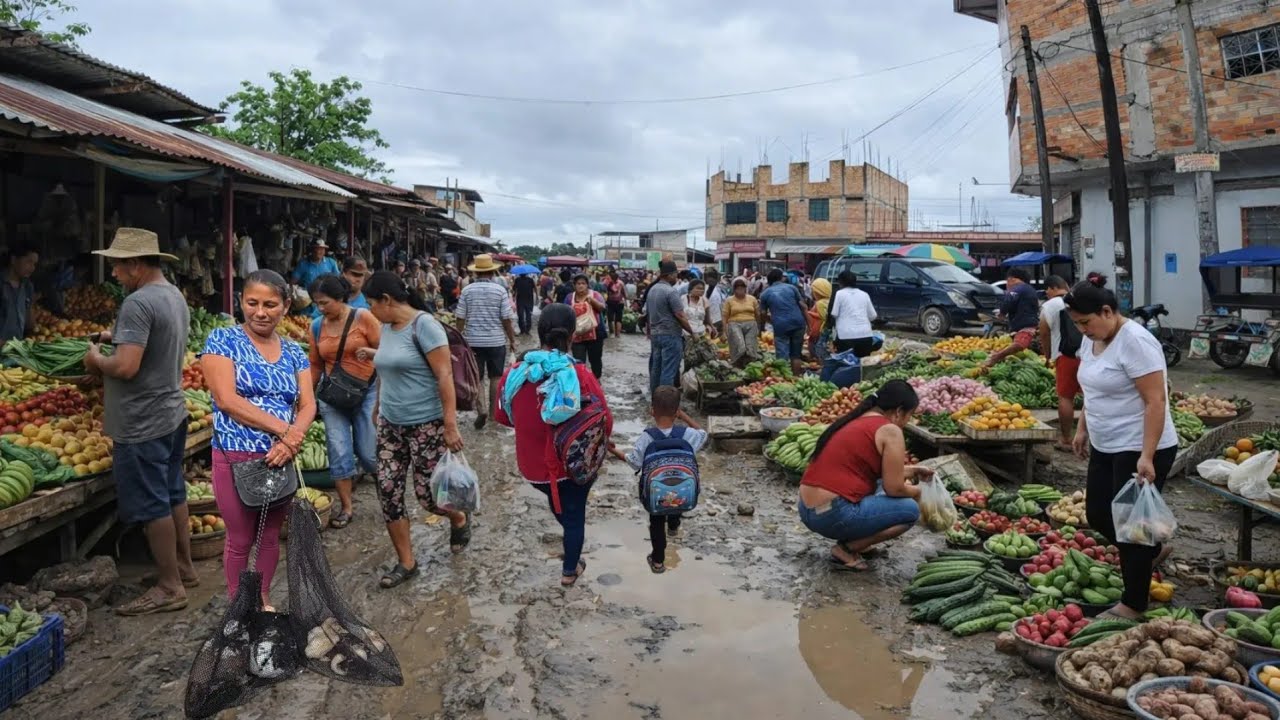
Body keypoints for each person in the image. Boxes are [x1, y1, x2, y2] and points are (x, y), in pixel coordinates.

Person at [83, 228, 195, 616]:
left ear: (134, 265)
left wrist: (97, 360)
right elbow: (153, 343)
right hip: (172, 411)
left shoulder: (137, 302)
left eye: (116, 265)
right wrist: (115, 337)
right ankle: (183, 567)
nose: (113, 272)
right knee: (172, 492)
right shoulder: (172, 294)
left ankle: (169, 586)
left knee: (151, 505)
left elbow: (127, 367)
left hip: (142, 420)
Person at [201, 269, 316, 608]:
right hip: (235, 454)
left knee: (268, 536)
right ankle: (240, 606)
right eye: (252, 303)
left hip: (280, 457)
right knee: (239, 538)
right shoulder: (222, 341)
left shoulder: (294, 351)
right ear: (241, 302)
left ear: (286, 306)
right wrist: (285, 431)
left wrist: (290, 441)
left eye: (270, 304)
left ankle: (262, 601)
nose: (260, 312)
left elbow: (308, 404)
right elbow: (226, 400)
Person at [1066, 273, 1178, 619]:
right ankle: (1151, 551)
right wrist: (1082, 427)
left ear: (1107, 311)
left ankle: (1133, 603)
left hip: (1140, 445)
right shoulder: (1092, 340)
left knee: (1132, 529)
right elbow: (1092, 387)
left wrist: (1146, 455)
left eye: (1086, 322)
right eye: (1077, 323)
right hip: (1106, 442)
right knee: (1098, 514)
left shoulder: (1136, 342)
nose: (1082, 329)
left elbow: (1156, 402)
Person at [359, 270, 469, 589]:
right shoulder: (386, 327)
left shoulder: (426, 327)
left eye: (371, 303)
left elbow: (445, 376)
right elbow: (387, 367)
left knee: (427, 497)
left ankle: (459, 517)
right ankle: (407, 563)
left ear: (387, 300)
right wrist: (379, 406)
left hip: (426, 425)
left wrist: (450, 425)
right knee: (388, 492)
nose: (369, 310)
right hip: (391, 426)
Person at [494, 304, 613, 587]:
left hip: (533, 467)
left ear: (539, 331)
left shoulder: (515, 373)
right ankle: (570, 570)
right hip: (572, 464)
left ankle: (570, 542)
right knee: (574, 515)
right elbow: (605, 419)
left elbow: (503, 416)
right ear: (573, 334)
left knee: (557, 500)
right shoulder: (579, 373)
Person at [798, 380, 932, 571]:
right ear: (899, 411)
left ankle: (858, 539)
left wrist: (912, 470)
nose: (907, 422)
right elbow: (893, 488)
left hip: (807, 509)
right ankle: (846, 548)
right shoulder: (890, 430)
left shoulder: (856, 419)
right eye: (909, 416)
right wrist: (919, 493)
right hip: (832, 514)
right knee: (910, 510)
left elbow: (873, 471)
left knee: (879, 485)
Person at [308, 274, 380, 529]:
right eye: (316, 303)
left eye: (325, 302)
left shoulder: (363, 318)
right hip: (333, 396)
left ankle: (384, 485)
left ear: (340, 298)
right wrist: (305, 397)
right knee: (338, 450)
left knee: (369, 452)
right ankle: (347, 507)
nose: (320, 308)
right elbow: (315, 365)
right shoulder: (316, 326)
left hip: (366, 391)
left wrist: (371, 355)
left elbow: (387, 352)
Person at [620, 385, 706, 574]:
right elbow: (703, 433)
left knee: (657, 520)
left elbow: (634, 463)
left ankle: (658, 561)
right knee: (677, 496)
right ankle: (674, 526)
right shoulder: (688, 435)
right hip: (682, 490)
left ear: (652, 411)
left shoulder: (647, 437)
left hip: (656, 493)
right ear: (677, 412)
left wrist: (612, 450)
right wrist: (684, 417)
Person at [455, 254, 518, 429]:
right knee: (496, 377)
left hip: (473, 341)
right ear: (492, 272)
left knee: (477, 377)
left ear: (475, 273)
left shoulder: (467, 290)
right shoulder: (500, 291)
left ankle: (481, 409)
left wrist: (458, 337)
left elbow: (460, 318)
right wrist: (512, 339)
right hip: (496, 341)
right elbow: (507, 319)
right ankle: (492, 415)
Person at [1038, 275, 1080, 450]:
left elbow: (1044, 334)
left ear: (1054, 288)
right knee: (1095, 396)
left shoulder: (1048, 306)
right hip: (1090, 354)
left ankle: (1066, 439)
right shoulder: (1080, 299)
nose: (1046, 294)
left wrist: (1047, 356)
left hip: (1065, 356)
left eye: (1047, 290)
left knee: (1066, 397)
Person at [644, 260, 694, 395]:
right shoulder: (671, 292)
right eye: (675, 274)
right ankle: (665, 401)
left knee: (656, 368)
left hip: (655, 335)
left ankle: (655, 399)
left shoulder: (652, 290)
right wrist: (692, 332)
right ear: (669, 275)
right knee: (669, 369)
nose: (676, 277)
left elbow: (647, 313)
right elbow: (680, 316)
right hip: (670, 335)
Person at [984, 267, 1041, 368]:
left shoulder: (1018, 288)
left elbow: (1009, 300)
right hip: (1028, 323)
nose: (1007, 286)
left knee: (1019, 344)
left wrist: (1002, 313)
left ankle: (996, 357)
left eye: (1007, 282)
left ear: (1012, 279)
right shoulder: (1029, 289)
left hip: (1025, 324)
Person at [759, 269, 809, 376]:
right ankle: (796, 378)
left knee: (782, 356)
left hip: (781, 325)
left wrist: (768, 323)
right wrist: (809, 325)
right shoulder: (792, 288)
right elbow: (803, 307)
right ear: (781, 278)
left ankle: (784, 380)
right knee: (796, 354)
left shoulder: (765, 294)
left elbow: (762, 314)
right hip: (798, 323)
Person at [826, 271, 879, 357]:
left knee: (846, 364)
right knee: (862, 363)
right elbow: (873, 316)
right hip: (865, 335)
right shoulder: (864, 294)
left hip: (845, 336)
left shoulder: (839, 294)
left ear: (841, 282)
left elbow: (834, 314)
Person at [569, 274, 607, 378]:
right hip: (577, 335)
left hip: (596, 334)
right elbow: (565, 313)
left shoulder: (595, 295)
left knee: (595, 360)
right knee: (578, 362)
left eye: (583, 283)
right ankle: (581, 382)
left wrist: (592, 301)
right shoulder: (570, 297)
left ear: (587, 285)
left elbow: (602, 309)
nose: (581, 286)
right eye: (578, 284)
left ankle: (596, 381)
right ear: (574, 285)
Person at [0, 244, 38, 344]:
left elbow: (29, 323)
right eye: (29, 262)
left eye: (35, 264)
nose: (32, 268)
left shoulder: (27, 286)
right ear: (13, 260)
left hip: (16, 352)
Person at [291, 239, 340, 317]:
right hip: (307, 304)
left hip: (326, 302)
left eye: (321, 249)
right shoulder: (303, 264)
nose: (318, 252)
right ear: (311, 250)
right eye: (316, 249)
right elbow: (293, 282)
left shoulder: (331, 263)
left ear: (324, 251)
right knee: (305, 324)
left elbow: (338, 282)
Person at [723, 278, 761, 367]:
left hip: (751, 323)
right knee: (740, 346)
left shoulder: (752, 299)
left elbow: (757, 314)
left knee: (750, 348)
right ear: (734, 289)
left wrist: (758, 327)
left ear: (745, 289)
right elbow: (725, 316)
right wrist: (724, 330)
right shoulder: (729, 300)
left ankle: (749, 366)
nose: (740, 290)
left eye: (742, 288)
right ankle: (736, 365)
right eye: (738, 288)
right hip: (734, 324)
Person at [806, 278, 832, 363]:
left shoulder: (819, 303)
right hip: (825, 330)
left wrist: (808, 313)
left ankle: (819, 364)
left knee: (816, 347)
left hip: (818, 329)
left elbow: (822, 316)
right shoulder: (829, 301)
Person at [513, 269, 537, 335]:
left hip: (521, 300)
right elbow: (535, 288)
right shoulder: (530, 280)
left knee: (521, 315)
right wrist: (537, 296)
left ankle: (523, 330)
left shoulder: (518, 280)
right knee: (527, 315)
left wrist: (513, 296)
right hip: (528, 299)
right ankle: (526, 330)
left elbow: (514, 289)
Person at [706, 270, 728, 338]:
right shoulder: (703, 289)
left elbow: (723, 303)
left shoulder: (719, 289)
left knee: (720, 343)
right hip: (709, 321)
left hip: (719, 320)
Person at [605, 271, 626, 339]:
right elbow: (624, 293)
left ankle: (612, 333)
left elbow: (606, 292)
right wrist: (625, 299)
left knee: (611, 318)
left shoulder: (608, 283)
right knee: (619, 319)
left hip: (611, 302)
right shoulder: (621, 283)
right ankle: (618, 334)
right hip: (620, 302)